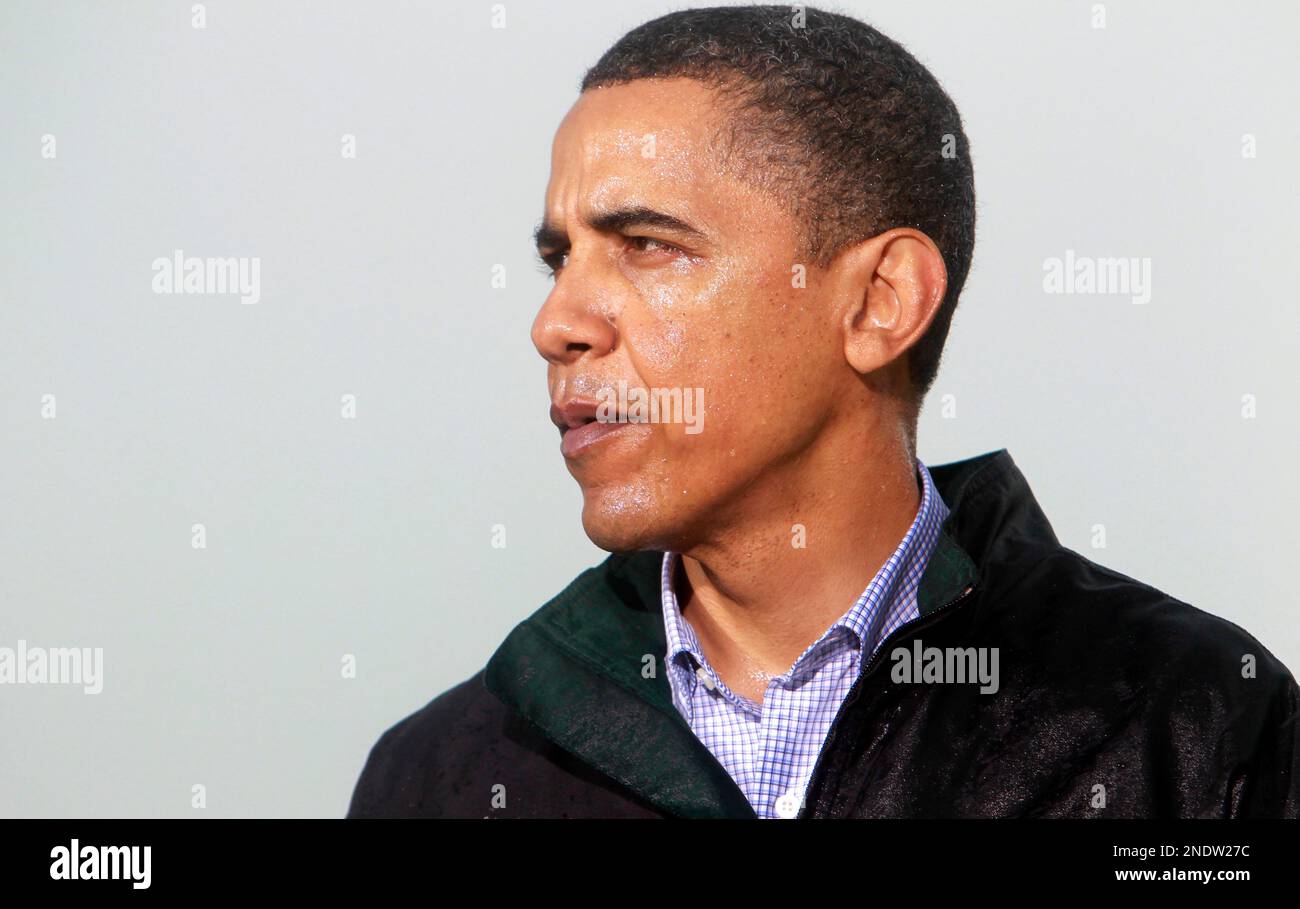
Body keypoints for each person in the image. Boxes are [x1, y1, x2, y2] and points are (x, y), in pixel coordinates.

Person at [347, 5, 1299, 818]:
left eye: (645, 244)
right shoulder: (443, 775)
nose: (556, 323)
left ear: (880, 301)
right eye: (561, 259)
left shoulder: (1191, 726)